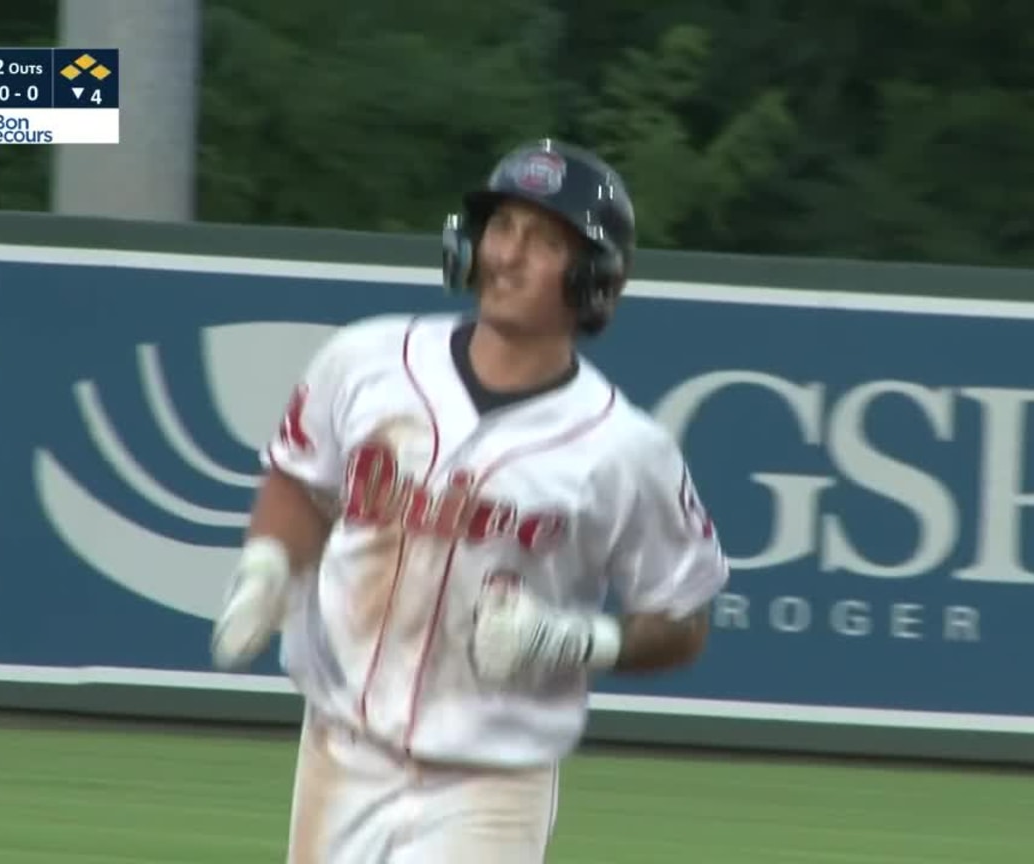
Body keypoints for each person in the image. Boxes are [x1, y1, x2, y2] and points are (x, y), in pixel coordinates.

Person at [211, 138, 731, 863]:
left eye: (544, 241)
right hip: (338, 750)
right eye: (501, 227)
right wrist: (267, 566)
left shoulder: (625, 448)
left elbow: (682, 618)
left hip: (492, 782)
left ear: (593, 277)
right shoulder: (367, 361)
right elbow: (300, 480)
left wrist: (580, 640)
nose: (508, 256)